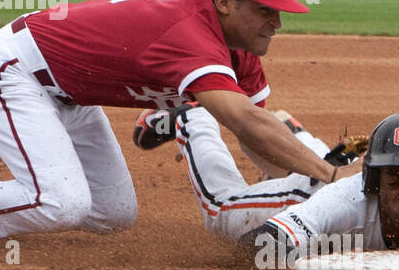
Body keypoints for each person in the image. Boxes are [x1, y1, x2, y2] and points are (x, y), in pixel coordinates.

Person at [0, 0, 360, 244]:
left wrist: (321, 200)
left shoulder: (239, 47)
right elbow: (246, 122)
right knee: (60, 203)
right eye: (266, 11)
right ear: (225, 3)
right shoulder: (191, 33)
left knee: (113, 213)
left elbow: (259, 141)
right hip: (13, 70)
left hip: (71, 92)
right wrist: (331, 178)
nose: (276, 23)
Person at [239, 113, 399, 262]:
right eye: (394, 181)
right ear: (373, 183)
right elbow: (260, 241)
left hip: (347, 177)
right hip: (311, 191)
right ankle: (197, 116)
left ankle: (300, 135)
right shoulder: (344, 202)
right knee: (221, 209)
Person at [136, 102, 370, 245]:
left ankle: (286, 128)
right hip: (309, 194)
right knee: (220, 210)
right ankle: (193, 118)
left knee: (330, 163)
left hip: (342, 174)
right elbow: (254, 247)